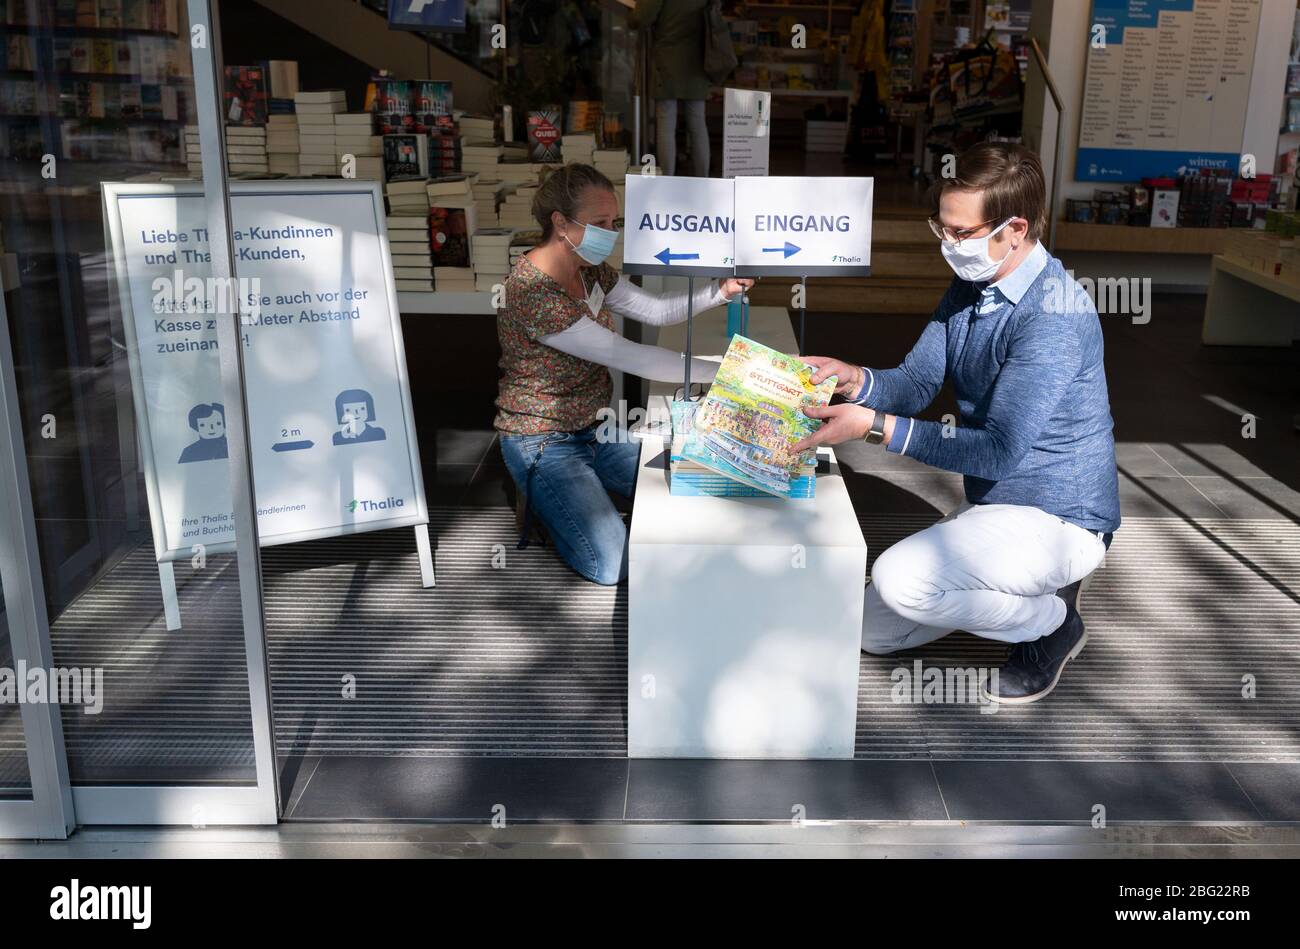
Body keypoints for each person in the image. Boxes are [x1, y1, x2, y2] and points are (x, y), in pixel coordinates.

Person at [792, 142, 1120, 705]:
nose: (948, 245)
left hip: (1059, 517)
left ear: (1014, 229)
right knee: (871, 631)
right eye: (941, 228)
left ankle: (1052, 623)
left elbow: (996, 451)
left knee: (902, 581)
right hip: (996, 504)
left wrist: (874, 427)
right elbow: (917, 383)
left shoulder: (1054, 315)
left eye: (960, 233)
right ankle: (1015, 589)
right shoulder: (973, 285)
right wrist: (853, 378)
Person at [496, 163, 752, 584]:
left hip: (596, 429)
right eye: (599, 223)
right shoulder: (531, 290)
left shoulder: (589, 268)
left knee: (690, 482)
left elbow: (654, 310)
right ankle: (554, 507)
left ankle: (581, 497)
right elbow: (630, 356)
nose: (610, 232)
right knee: (612, 564)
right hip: (541, 439)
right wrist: (732, 371)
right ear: (560, 222)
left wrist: (720, 292)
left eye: (613, 222)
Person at [633, 0, 712, 176]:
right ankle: (703, 178)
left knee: (666, 122)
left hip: (667, 60)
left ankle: (668, 179)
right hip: (698, 60)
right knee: (698, 122)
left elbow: (641, 18)